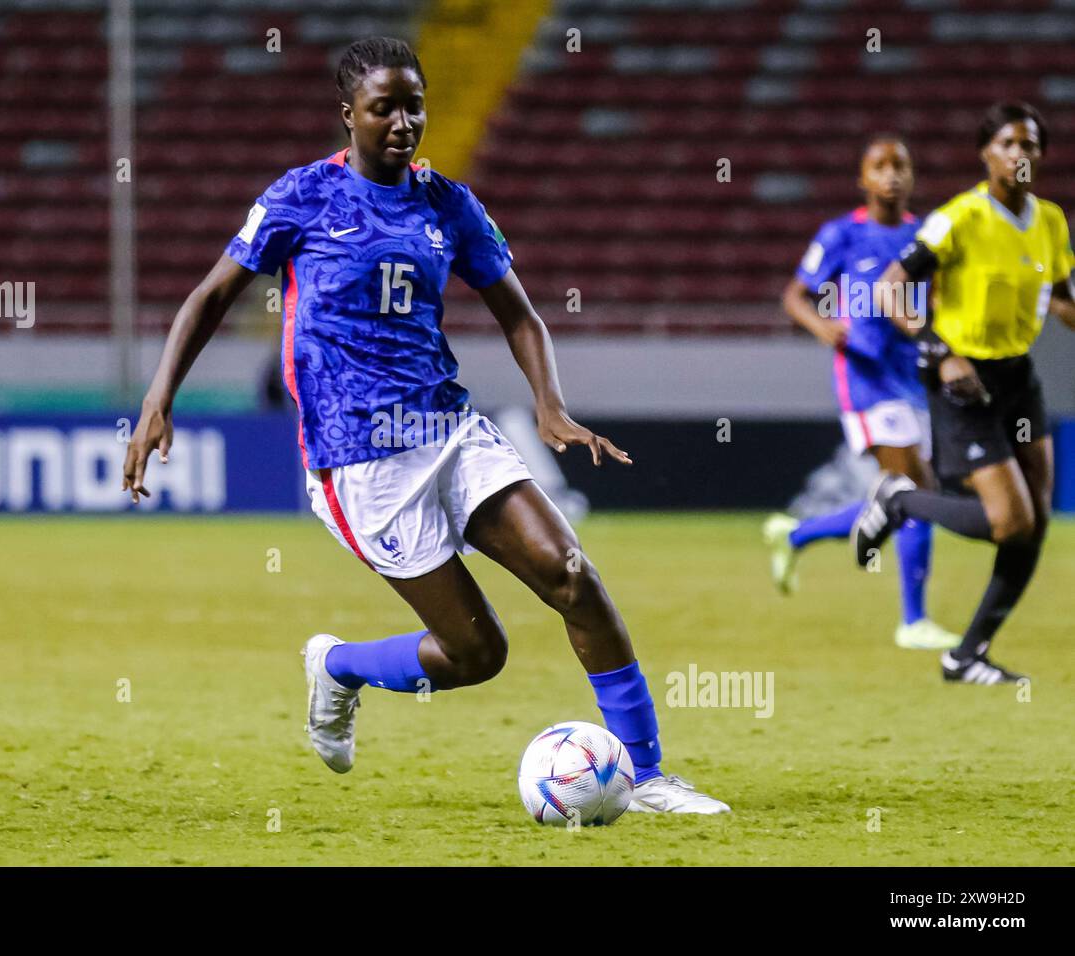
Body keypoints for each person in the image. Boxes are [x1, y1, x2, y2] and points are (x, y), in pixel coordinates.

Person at [123, 37, 728, 813]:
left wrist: (549, 403)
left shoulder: (448, 203)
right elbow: (210, 296)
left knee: (573, 577)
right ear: (349, 115)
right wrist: (157, 399)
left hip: (451, 431)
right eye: (385, 107)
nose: (404, 122)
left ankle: (645, 778)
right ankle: (340, 666)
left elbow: (520, 313)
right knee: (479, 654)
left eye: (415, 105)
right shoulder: (302, 197)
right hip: (359, 460)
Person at [857, 102, 1075, 684]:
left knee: (1036, 523)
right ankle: (900, 500)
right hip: (960, 379)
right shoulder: (959, 218)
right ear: (986, 154)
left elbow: (1064, 299)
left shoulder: (1051, 221)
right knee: (1009, 522)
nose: (1021, 155)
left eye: (1031, 145)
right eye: (1009, 144)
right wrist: (937, 347)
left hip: (1016, 379)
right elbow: (890, 286)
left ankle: (966, 655)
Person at [766, 134, 956, 650]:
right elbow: (795, 295)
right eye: (880, 166)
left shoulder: (924, 238)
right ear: (863, 178)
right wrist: (823, 327)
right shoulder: (842, 234)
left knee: (907, 495)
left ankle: (796, 535)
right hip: (865, 380)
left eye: (901, 166)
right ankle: (913, 621)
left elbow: (935, 300)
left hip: (912, 379)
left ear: (912, 178)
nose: (891, 174)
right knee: (913, 491)